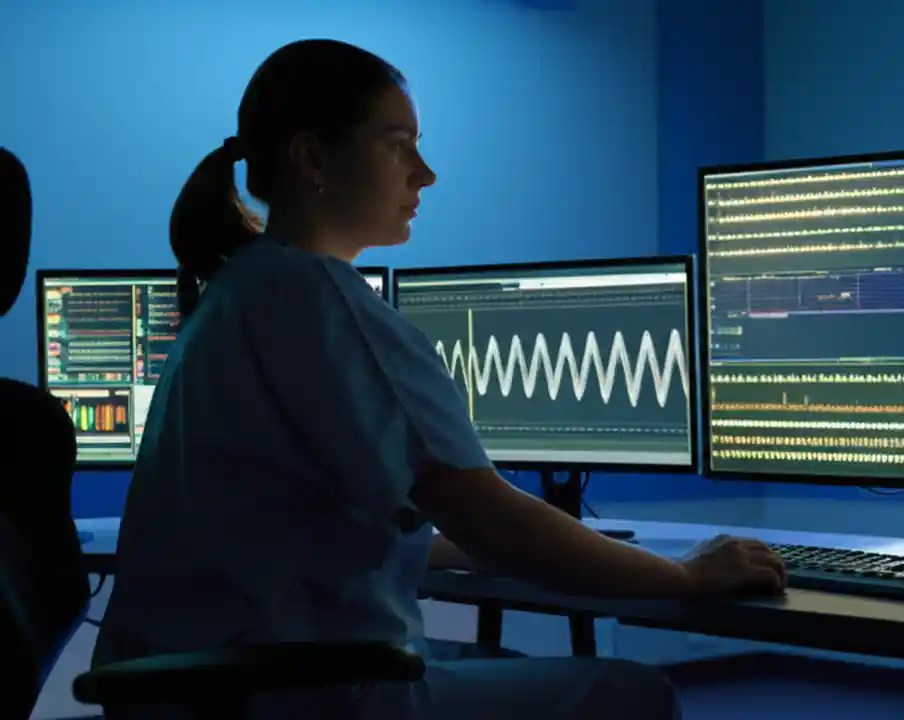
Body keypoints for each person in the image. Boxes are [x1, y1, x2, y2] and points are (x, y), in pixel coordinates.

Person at [91, 39, 787, 719]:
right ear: (312, 158)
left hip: (199, 686)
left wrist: (489, 543)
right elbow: (487, 514)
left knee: (507, 672)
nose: (424, 173)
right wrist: (688, 577)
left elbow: (307, 528)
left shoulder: (242, 290)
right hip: (299, 690)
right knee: (632, 693)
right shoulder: (320, 300)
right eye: (397, 144)